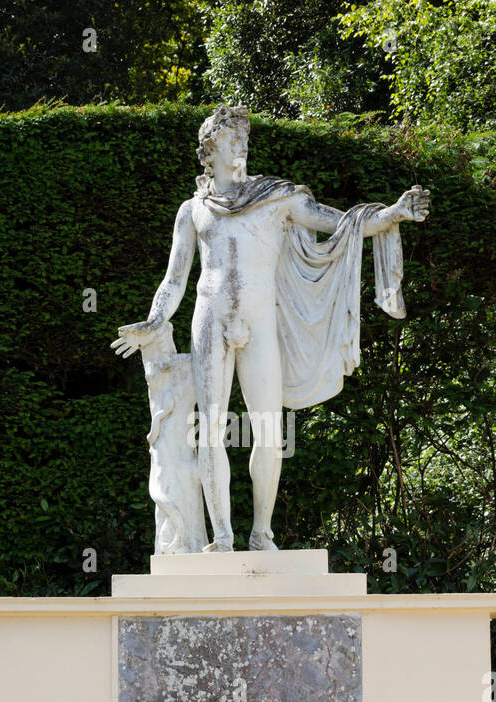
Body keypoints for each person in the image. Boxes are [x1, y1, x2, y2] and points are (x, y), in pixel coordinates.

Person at [112, 105, 430, 552]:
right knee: (212, 428)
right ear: (210, 150)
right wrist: (155, 319)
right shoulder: (193, 210)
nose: (242, 144)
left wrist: (392, 214)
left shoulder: (279, 198)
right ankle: (222, 536)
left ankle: (262, 533)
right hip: (210, 319)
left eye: (244, 137)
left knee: (267, 429)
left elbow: (342, 223)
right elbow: (175, 278)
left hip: (260, 321)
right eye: (232, 138)